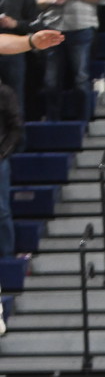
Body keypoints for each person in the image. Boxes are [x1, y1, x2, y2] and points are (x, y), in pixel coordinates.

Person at [0, 0, 38, 112]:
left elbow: (36, 24)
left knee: (14, 101)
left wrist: (16, 24)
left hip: (14, 54)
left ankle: (17, 137)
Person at [0, 84, 20, 258]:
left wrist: (2, 152)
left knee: (2, 210)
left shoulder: (5, 93)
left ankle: (7, 257)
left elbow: (15, 127)